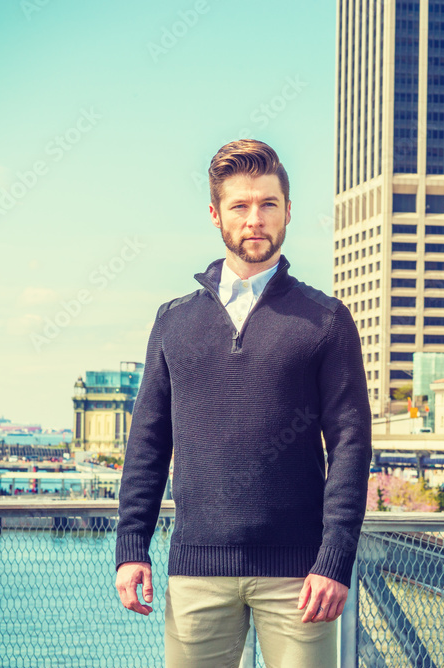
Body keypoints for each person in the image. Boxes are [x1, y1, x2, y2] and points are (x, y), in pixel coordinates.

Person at [114, 139, 372, 667]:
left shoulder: (326, 320)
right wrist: (131, 547)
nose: (255, 219)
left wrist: (335, 560)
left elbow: (351, 444)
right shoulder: (174, 321)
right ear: (216, 214)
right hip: (196, 571)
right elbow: (148, 442)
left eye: (268, 204)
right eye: (240, 206)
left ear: (288, 211)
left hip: (301, 576)